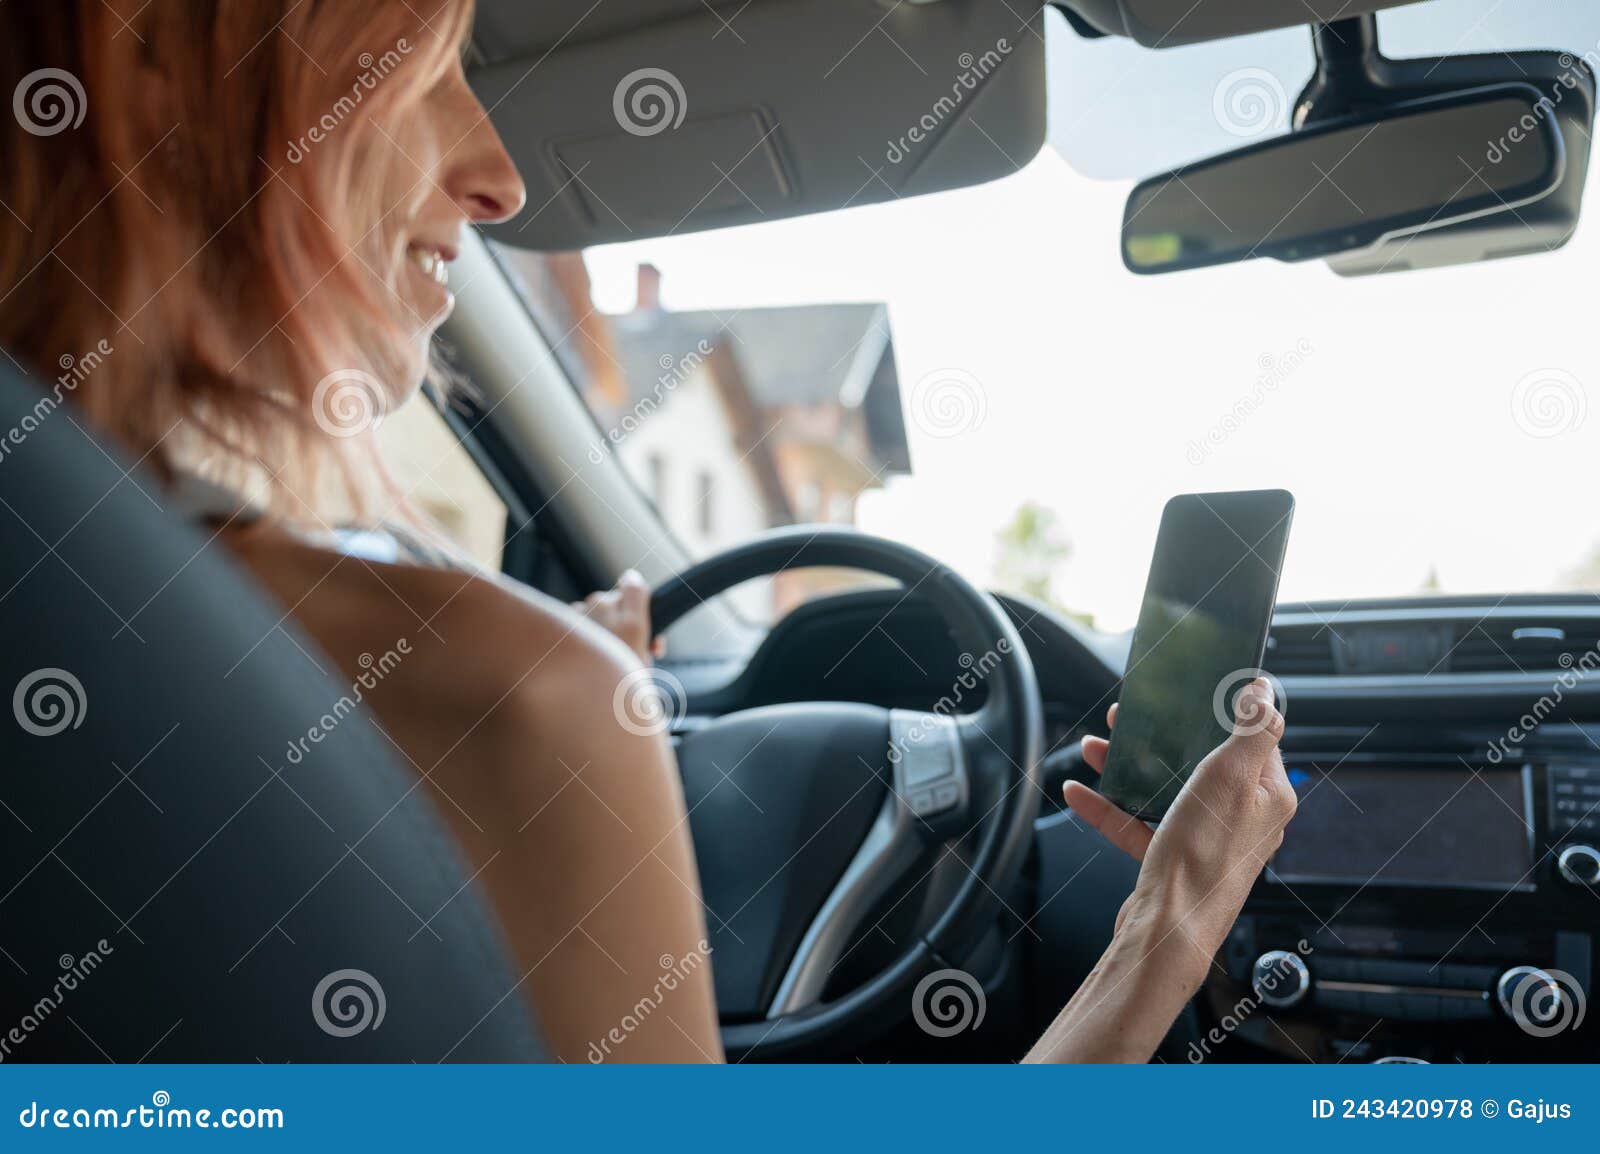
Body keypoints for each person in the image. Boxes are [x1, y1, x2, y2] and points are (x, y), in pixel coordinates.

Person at [0, 0, 1295, 1063]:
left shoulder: (120, 619)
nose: (499, 175)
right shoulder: (517, 702)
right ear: (151, 62)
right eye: (426, 67)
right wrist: (1167, 925)